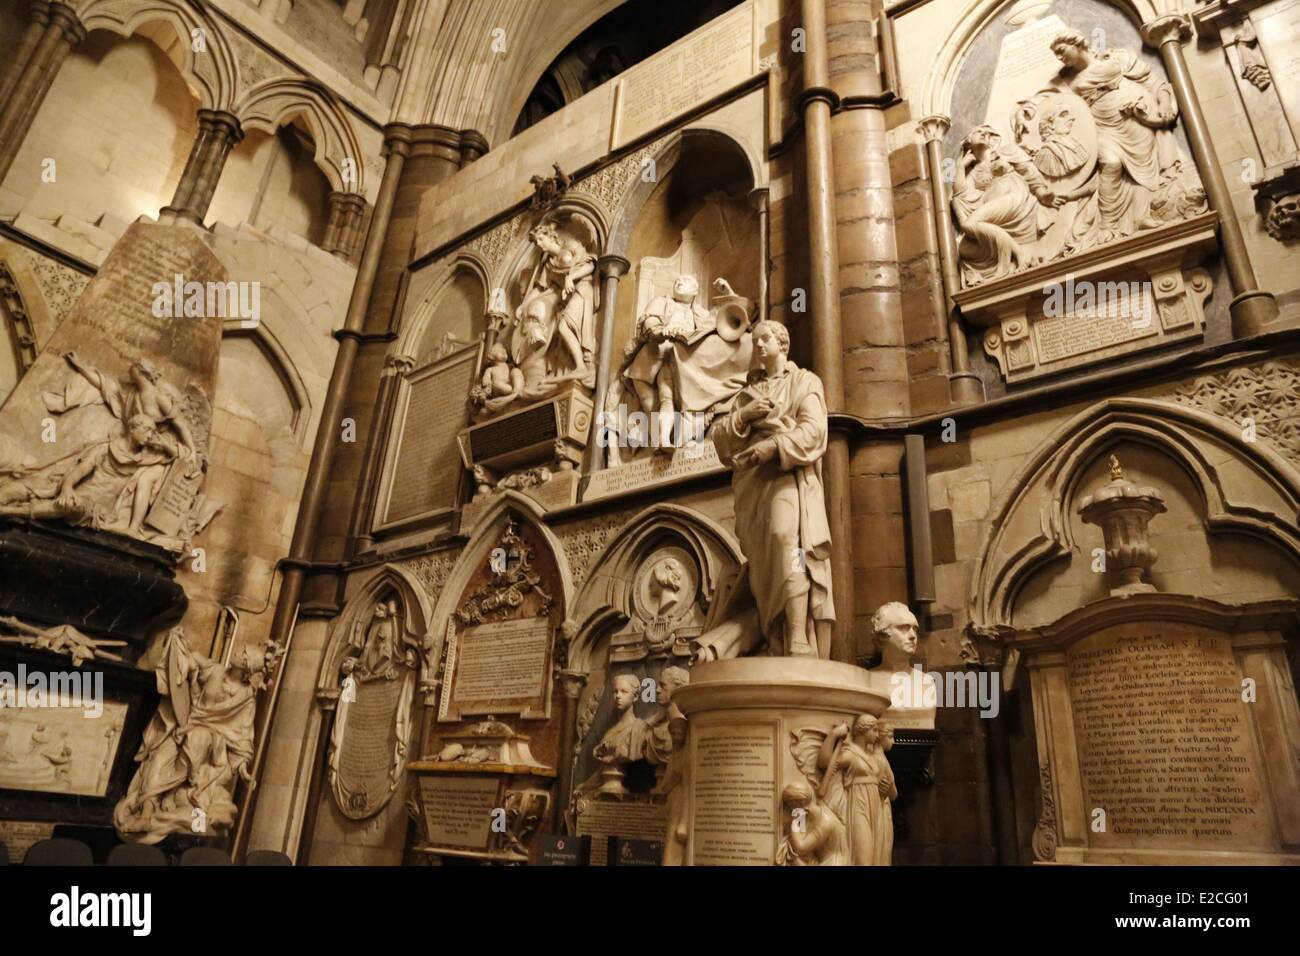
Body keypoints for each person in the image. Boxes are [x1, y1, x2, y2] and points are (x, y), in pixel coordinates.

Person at [710, 321, 834, 659]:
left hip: (785, 472)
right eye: (755, 341)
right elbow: (722, 443)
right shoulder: (747, 394)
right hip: (752, 485)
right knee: (763, 560)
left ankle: (797, 634)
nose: (759, 345)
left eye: (766, 339)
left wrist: (773, 446)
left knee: (787, 541)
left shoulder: (804, 381)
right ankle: (772, 632)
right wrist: (744, 417)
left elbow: (814, 431)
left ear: (784, 343)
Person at [817, 714, 897, 866]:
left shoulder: (874, 757)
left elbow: (891, 791)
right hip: (859, 806)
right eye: (874, 730)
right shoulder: (850, 754)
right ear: (862, 731)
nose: (877, 734)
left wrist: (885, 790)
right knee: (863, 856)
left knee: (875, 855)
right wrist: (834, 735)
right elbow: (824, 762)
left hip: (875, 808)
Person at [776, 779, 849, 866]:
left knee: (791, 854)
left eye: (790, 805)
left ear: (797, 803)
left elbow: (800, 848)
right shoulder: (810, 812)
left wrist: (795, 820)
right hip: (822, 860)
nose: (790, 809)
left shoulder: (825, 822)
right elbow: (801, 835)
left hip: (833, 863)